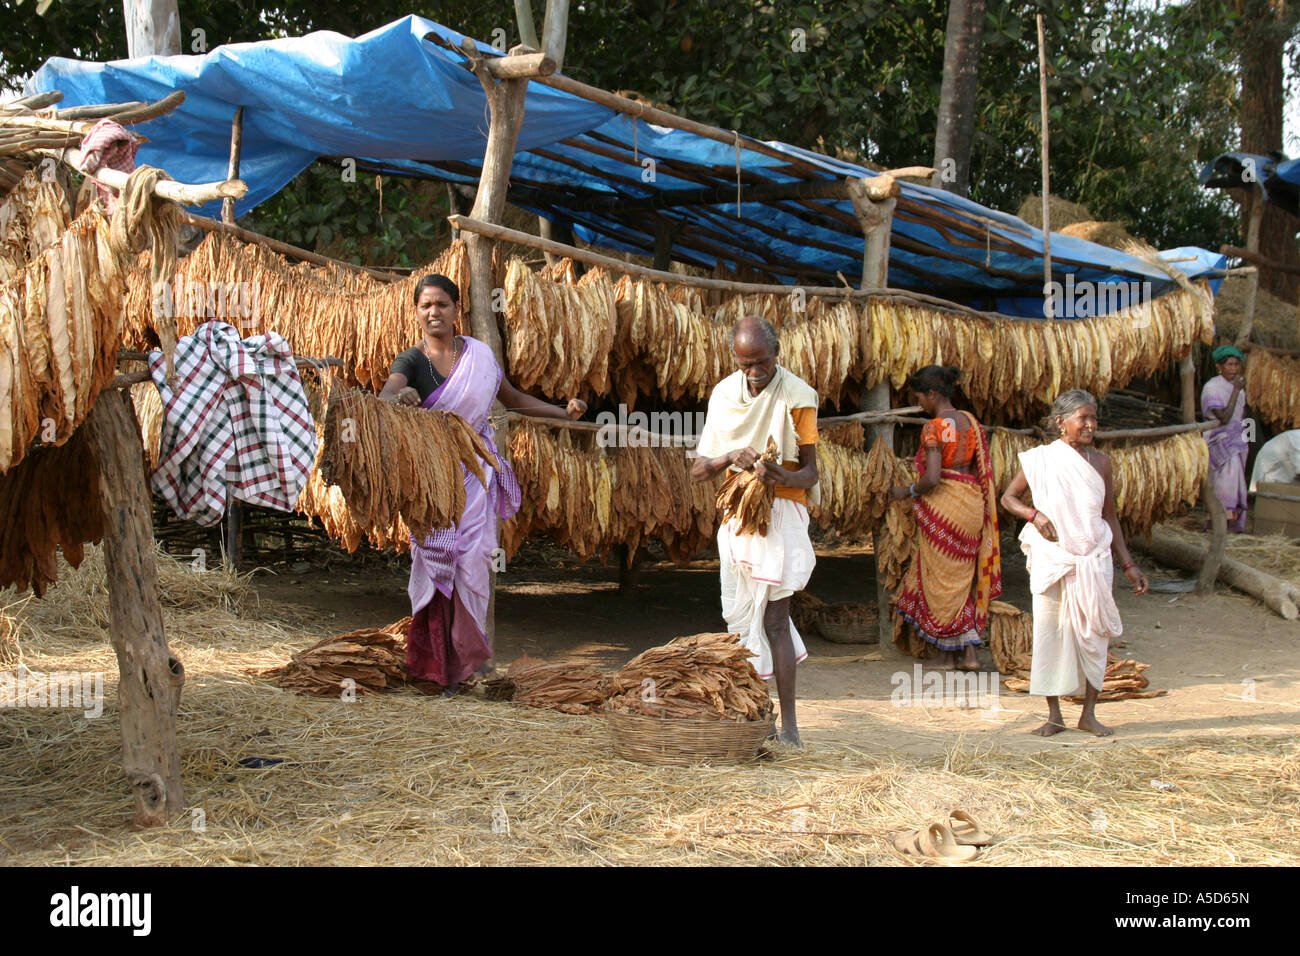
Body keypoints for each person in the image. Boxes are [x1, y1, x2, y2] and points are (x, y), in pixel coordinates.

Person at [379, 274, 587, 693]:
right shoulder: (411, 360)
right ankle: (434, 669)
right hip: (434, 484)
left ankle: (465, 667)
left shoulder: (478, 355)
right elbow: (387, 396)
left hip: (475, 479)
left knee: (474, 564)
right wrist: (401, 399)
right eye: (425, 305)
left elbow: (511, 399)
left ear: (458, 310)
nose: (433, 312)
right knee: (437, 566)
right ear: (416, 312)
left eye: (442, 304)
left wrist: (563, 413)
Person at [691, 316, 819, 747]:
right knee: (742, 622)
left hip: (781, 515)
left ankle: (791, 729)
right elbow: (698, 470)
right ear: (735, 359)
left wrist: (775, 473)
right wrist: (730, 455)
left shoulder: (798, 396)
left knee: (776, 622)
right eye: (745, 364)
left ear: (776, 354)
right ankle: (757, 720)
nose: (754, 373)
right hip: (738, 519)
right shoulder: (724, 396)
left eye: (761, 362)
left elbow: (810, 475)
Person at [1001, 389, 1149, 737]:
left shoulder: (1101, 463)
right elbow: (1008, 498)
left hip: (1093, 559)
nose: (1090, 425)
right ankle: (1054, 716)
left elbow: (1109, 517)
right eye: (1083, 418)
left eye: (1094, 418)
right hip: (1054, 560)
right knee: (1050, 634)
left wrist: (1129, 564)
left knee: (1095, 635)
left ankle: (1089, 714)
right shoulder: (1040, 459)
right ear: (1060, 422)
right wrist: (1032, 515)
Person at [888, 366, 1001, 670]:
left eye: (919, 397)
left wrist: (908, 489)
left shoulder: (934, 427)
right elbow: (972, 467)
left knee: (942, 581)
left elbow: (935, 479)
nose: (919, 403)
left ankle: (947, 656)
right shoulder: (969, 422)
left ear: (932, 394)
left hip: (945, 509)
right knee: (963, 579)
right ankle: (971, 655)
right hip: (970, 505)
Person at [1201, 345, 1249, 533]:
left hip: (1236, 442)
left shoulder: (1239, 389)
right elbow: (1224, 417)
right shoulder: (1212, 387)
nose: (1234, 369)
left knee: (1234, 483)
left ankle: (1229, 528)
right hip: (1218, 442)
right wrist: (1236, 390)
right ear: (1219, 366)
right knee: (1222, 484)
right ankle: (1217, 526)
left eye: (1236, 365)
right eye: (1229, 365)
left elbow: (1241, 416)